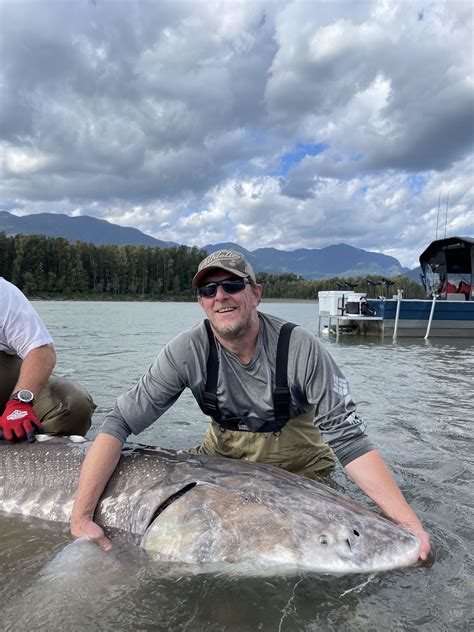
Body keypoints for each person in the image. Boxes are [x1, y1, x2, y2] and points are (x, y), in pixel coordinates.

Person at [70, 250, 430, 559]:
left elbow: (350, 441)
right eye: (208, 290)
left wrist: (407, 524)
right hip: (222, 463)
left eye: (233, 285)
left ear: (256, 294)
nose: (220, 296)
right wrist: (81, 517)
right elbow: (119, 422)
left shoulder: (300, 349)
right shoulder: (187, 351)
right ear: (201, 302)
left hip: (299, 468)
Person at [0, 277, 95, 442]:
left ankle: (28, 459)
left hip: (4, 392)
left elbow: (41, 351)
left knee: (72, 402)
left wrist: (19, 403)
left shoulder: (4, 293)